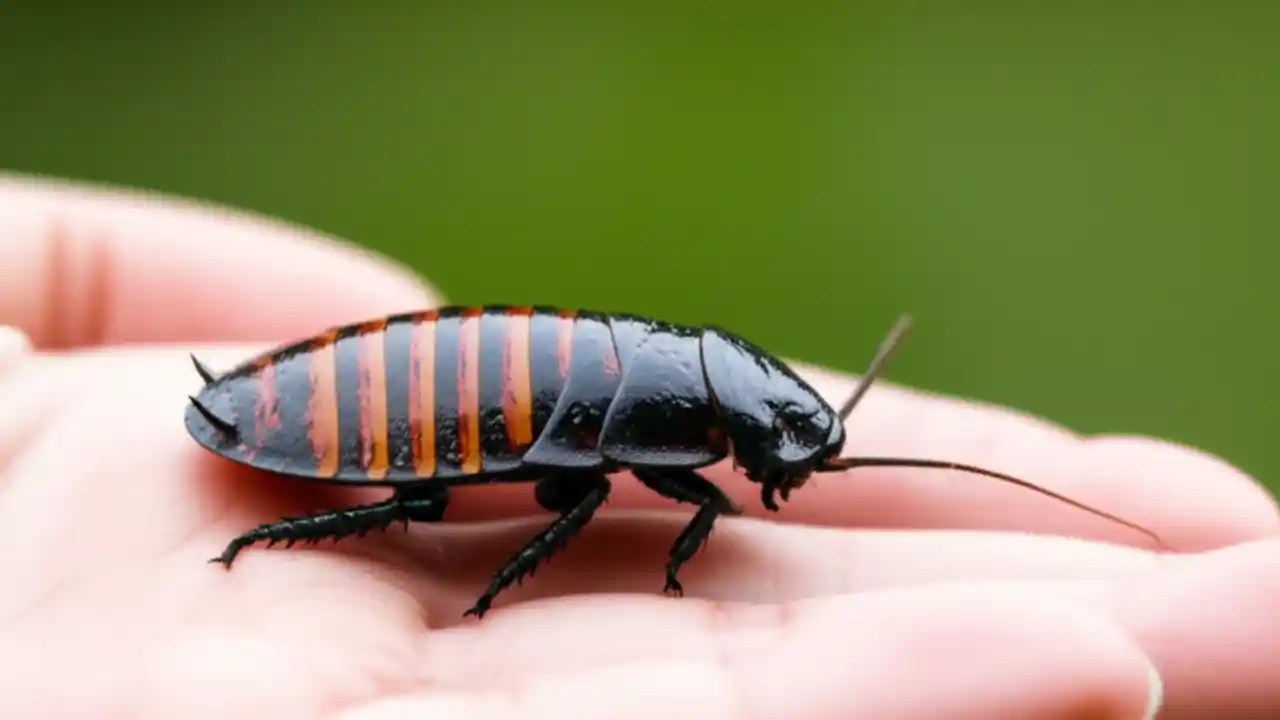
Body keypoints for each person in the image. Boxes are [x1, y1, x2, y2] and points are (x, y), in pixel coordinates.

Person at [0, 173, 1276, 719]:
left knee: (481, 487)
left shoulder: (682, 412)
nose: (766, 481)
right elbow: (590, 495)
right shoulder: (673, 445)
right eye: (774, 453)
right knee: (441, 496)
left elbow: (612, 487)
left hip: (415, 373)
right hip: (334, 404)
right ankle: (305, 525)